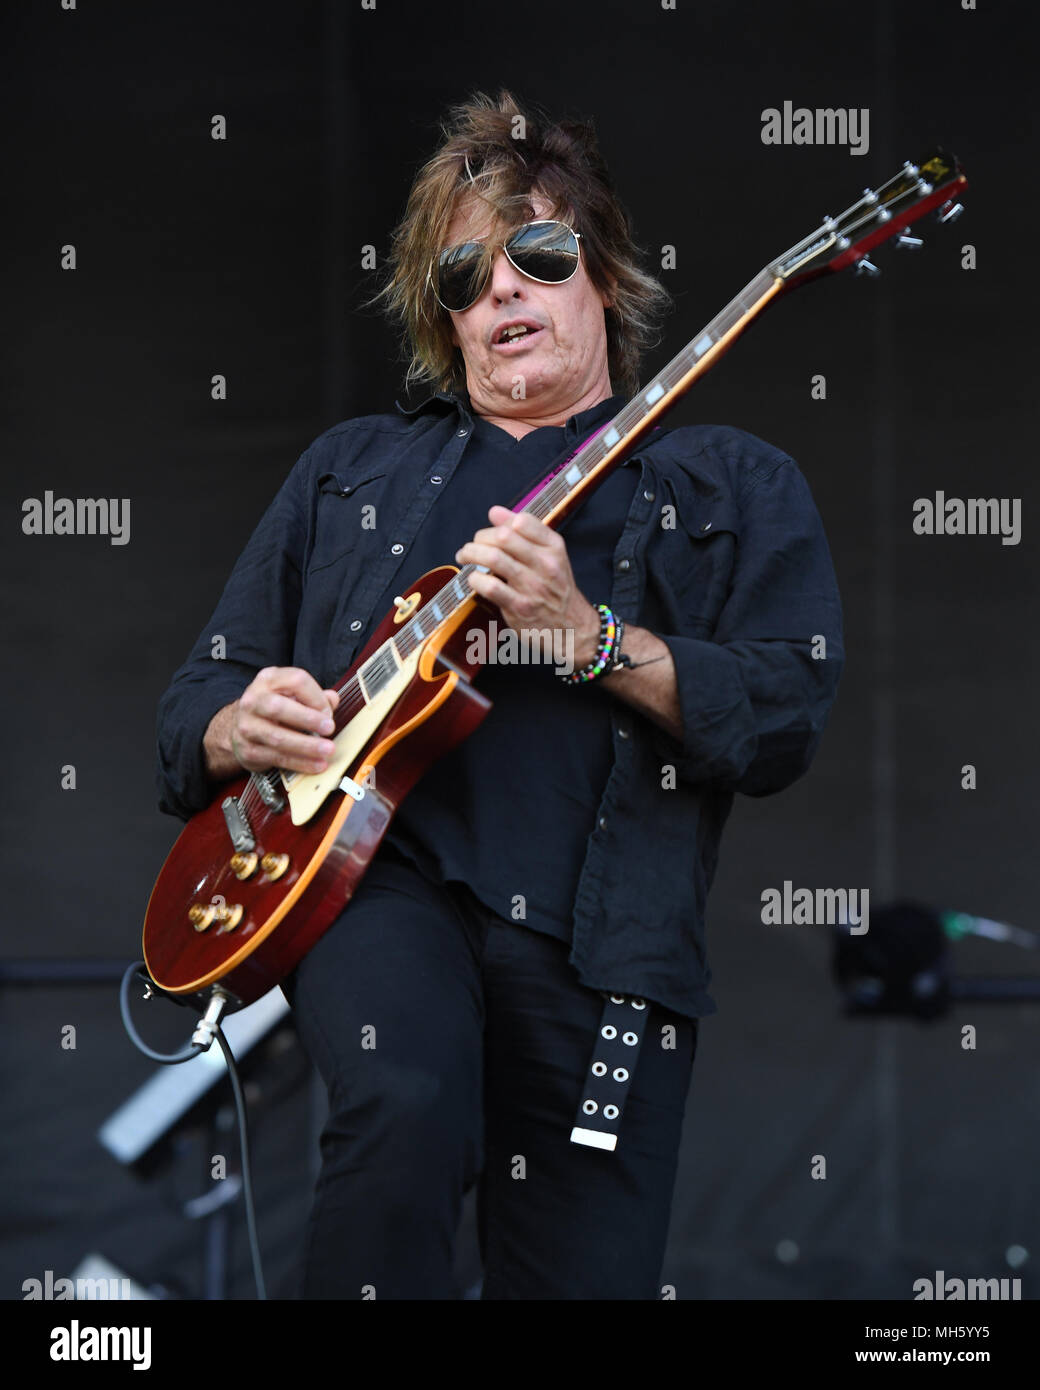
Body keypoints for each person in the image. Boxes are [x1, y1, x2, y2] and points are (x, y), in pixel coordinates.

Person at [155, 89, 843, 1299]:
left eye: (537, 252)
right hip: (378, 879)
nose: (502, 292)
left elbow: (783, 709)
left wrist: (587, 635)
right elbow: (196, 698)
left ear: (605, 275)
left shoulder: (730, 480)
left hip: (610, 947)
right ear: (445, 320)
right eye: (464, 275)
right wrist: (231, 723)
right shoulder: (349, 472)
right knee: (403, 1102)